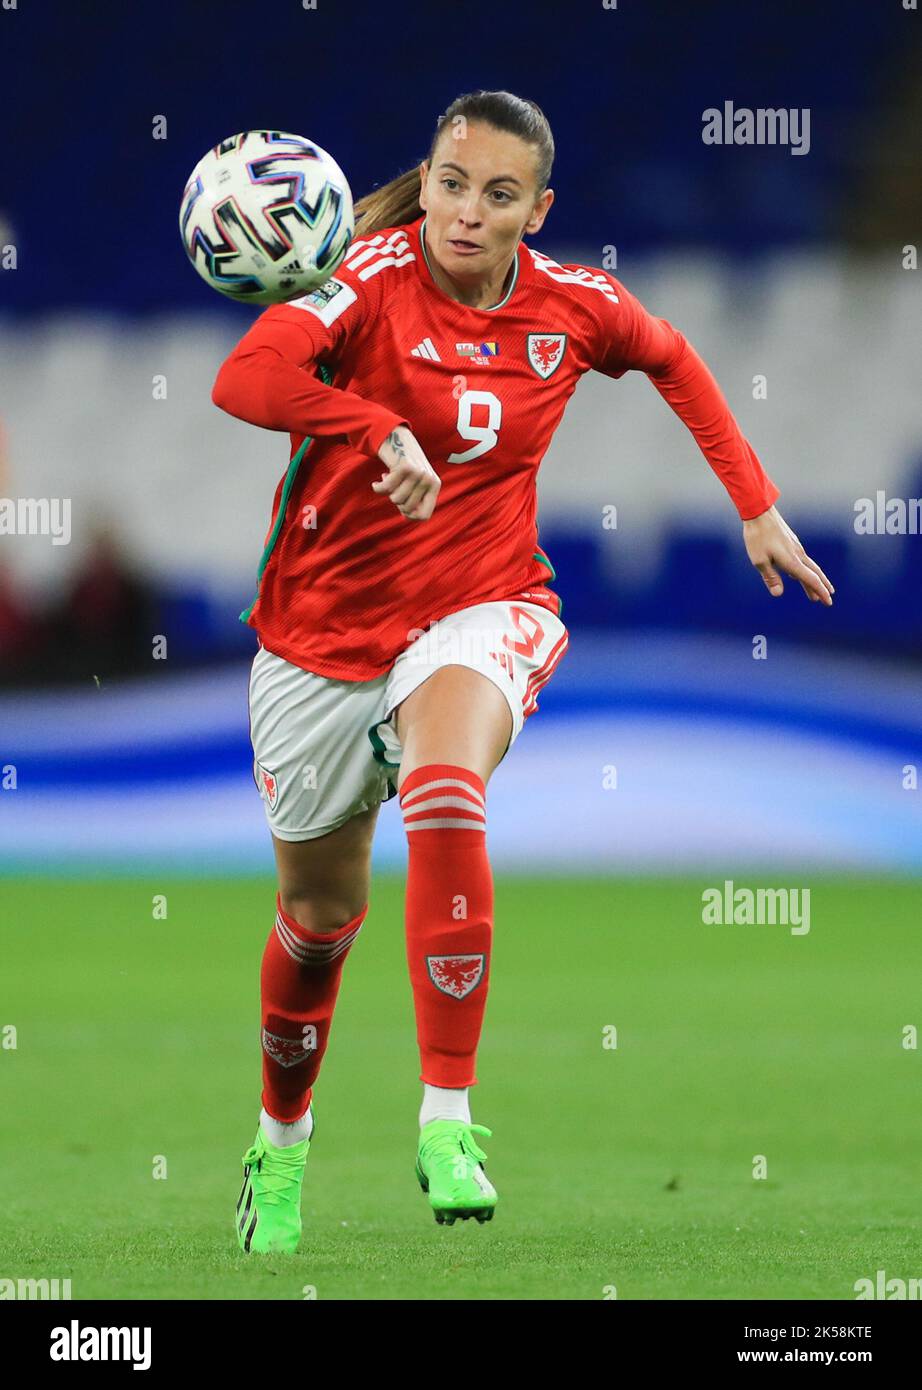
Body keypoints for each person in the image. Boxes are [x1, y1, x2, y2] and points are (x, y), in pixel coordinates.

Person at [211, 89, 834, 1254]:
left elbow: (676, 358)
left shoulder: (574, 307)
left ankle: (448, 1116)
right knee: (317, 916)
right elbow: (243, 379)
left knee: (448, 787)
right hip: (317, 641)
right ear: (429, 177)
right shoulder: (366, 280)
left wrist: (756, 506)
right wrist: (367, 426)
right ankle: (278, 1146)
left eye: (498, 195)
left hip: (479, 605)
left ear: (534, 210)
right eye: (451, 182)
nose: (465, 211)